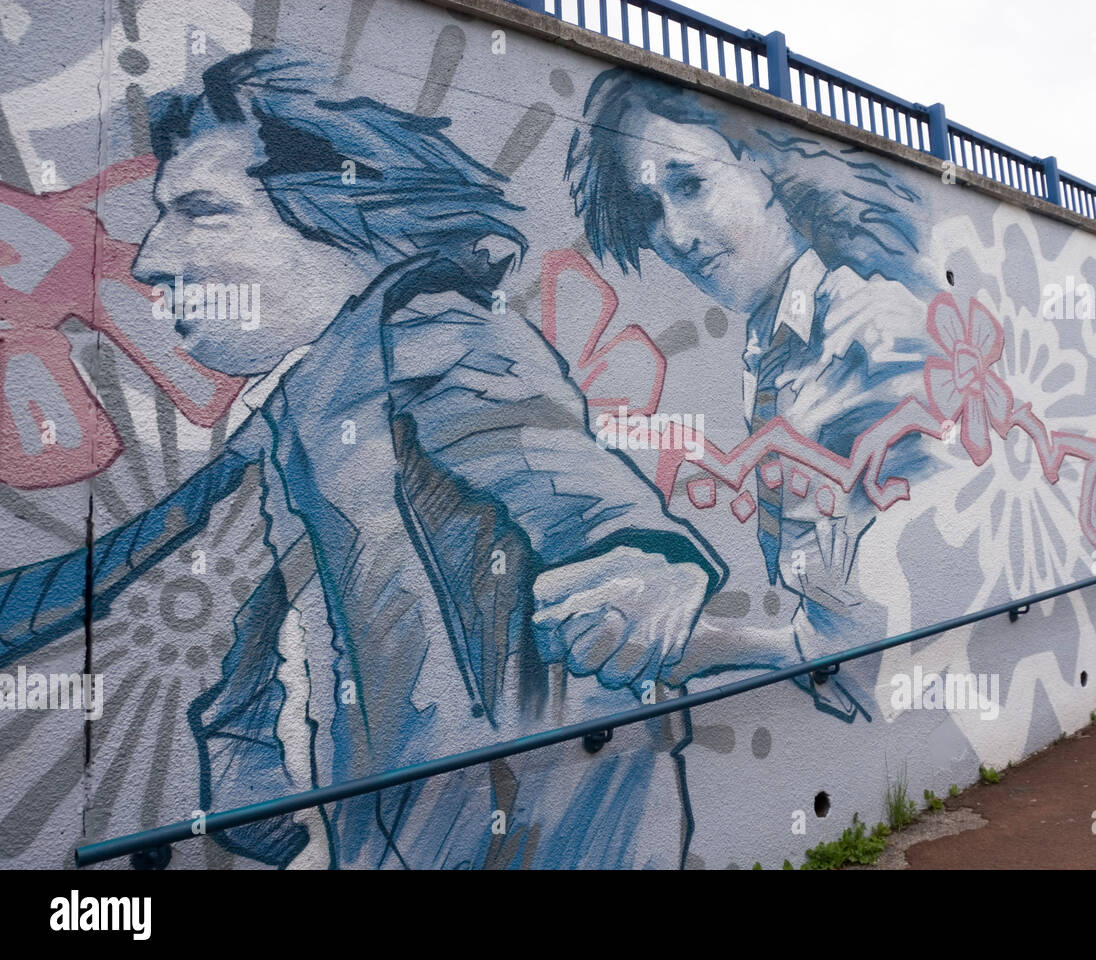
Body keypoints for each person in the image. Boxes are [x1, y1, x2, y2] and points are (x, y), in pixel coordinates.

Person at [0, 50, 726, 869]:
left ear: (345, 215)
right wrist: (275, 808)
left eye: (201, 211)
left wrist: (651, 562)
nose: (150, 259)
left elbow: (554, 467)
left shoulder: (436, 335)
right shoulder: (308, 396)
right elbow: (136, 562)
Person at [566, 67, 943, 722]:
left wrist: (700, 629)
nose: (676, 236)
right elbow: (835, 625)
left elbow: (894, 611)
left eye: (691, 185)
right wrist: (693, 641)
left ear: (763, 168)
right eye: (650, 209)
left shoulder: (857, 338)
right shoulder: (769, 346)